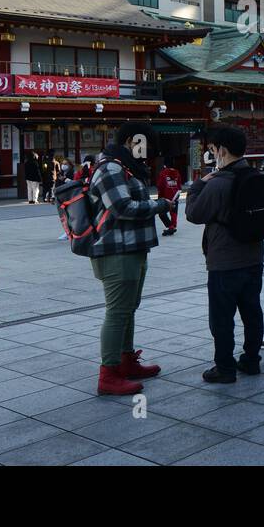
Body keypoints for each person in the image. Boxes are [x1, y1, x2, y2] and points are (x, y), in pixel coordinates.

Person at [86, 122, 175, 396]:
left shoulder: (124, 167)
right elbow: (121, 207)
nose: (146, 152)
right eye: (143, 145)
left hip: (132, 248)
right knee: (117, 311)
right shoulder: (111, 168)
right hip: (116, 251)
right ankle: (108, 374)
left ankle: (125, 361)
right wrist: (161, 205)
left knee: (128, 308)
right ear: (129, 141)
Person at [184, 126, 264, 383]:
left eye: (212, 150)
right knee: (252, 312)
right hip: (253, 257)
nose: (212, 154)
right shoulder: (257, 176)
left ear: (222, 150)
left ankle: (225, 367)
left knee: (222, 318)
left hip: (224, 261)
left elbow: (194, 214)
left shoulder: (218, 183)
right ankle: (251, 360)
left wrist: (198, 185)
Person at [156, 160, 182, 237]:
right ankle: (173, 225)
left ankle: (170, 226)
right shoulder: (177, 172)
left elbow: (160, 185)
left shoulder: (163, 173)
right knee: (174, 211)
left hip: (165, 195)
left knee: (161, 213)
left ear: (165, 166)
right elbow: (179, 184)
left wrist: (160, 195)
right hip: (175, 195)